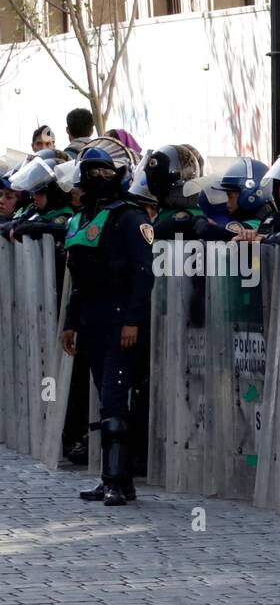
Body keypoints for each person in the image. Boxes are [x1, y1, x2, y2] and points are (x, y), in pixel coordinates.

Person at [59, 141, 154, 506]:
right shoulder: (80, 220)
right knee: (105, 399)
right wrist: (70, 323)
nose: (98, 177)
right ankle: (115, 479)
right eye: (92, 171)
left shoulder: (131, 218)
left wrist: (132, 321)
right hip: (92, 320)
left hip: (120, 319)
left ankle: (115, 480)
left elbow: (143, 275)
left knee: (115, 398)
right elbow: (78, 278)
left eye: (105, 171)